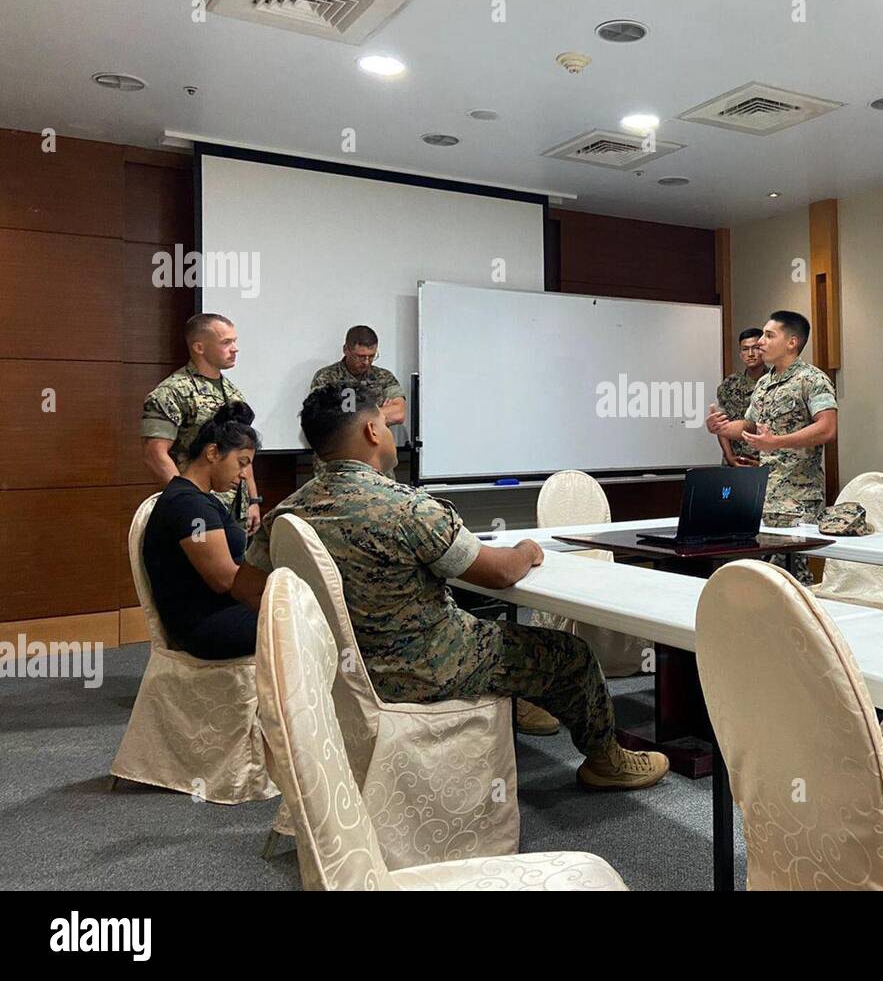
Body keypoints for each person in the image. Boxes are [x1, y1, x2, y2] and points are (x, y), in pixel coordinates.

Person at [244, 384, 669, 792]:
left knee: (508, 638)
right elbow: (498, 574)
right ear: (372, 431)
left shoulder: (287, 512)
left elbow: (246, 586)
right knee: (570, 655)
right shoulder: (407, 507)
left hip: (334, 671)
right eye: (386, 425)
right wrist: (527, 549)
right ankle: (607, 763)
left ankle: (535, 704)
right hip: (423, 667)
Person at [705, 310, 838, 583]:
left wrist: (777, 442)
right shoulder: (765, 383)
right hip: (764, 495)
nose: (761, 343)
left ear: (791, 342)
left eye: (769, 335)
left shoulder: (812, 379)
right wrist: (720, 428)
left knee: (792, 576)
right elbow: (750, 426)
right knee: (764, 574)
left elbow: (827, 428)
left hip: (796, 498)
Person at [140, 402, 268, 659]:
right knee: (300, 621)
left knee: (301, 613)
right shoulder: (189, 505)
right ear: (212, 453)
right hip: (205, 624)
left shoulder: (197, 499)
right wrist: (282, 585)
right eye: (241, 463)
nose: (245, 475)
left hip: (221, 611)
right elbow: (224, 579)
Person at [142, 313, 262, 535]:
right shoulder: (171, 392)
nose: (235, 348)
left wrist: (252, 499)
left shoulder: (234, 393)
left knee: (237, 567)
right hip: (198, 510)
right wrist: (188, 502)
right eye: (226, 342)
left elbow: (243, 453)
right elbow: (155, 454)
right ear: (199, 347)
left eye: (235, 341)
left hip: (235, 508)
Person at [308, 325, 407, 476]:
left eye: (372, 356)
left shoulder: (384, 377)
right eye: (360, 356)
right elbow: (327, 420)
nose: (366, 362)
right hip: (337, 465)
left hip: (377, 463)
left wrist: (351, 415)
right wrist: (377, 416)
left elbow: (399, 413)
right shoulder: (326, 378)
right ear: (346, 350)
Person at [715, 327, 768, 467]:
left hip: (765, 463)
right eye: (745, 349)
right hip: (734, 461)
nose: (750, 354)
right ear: (740, 354)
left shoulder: (775, 383)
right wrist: (729, 456)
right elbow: (722, 426)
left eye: (755, 348)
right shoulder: (729, 384)